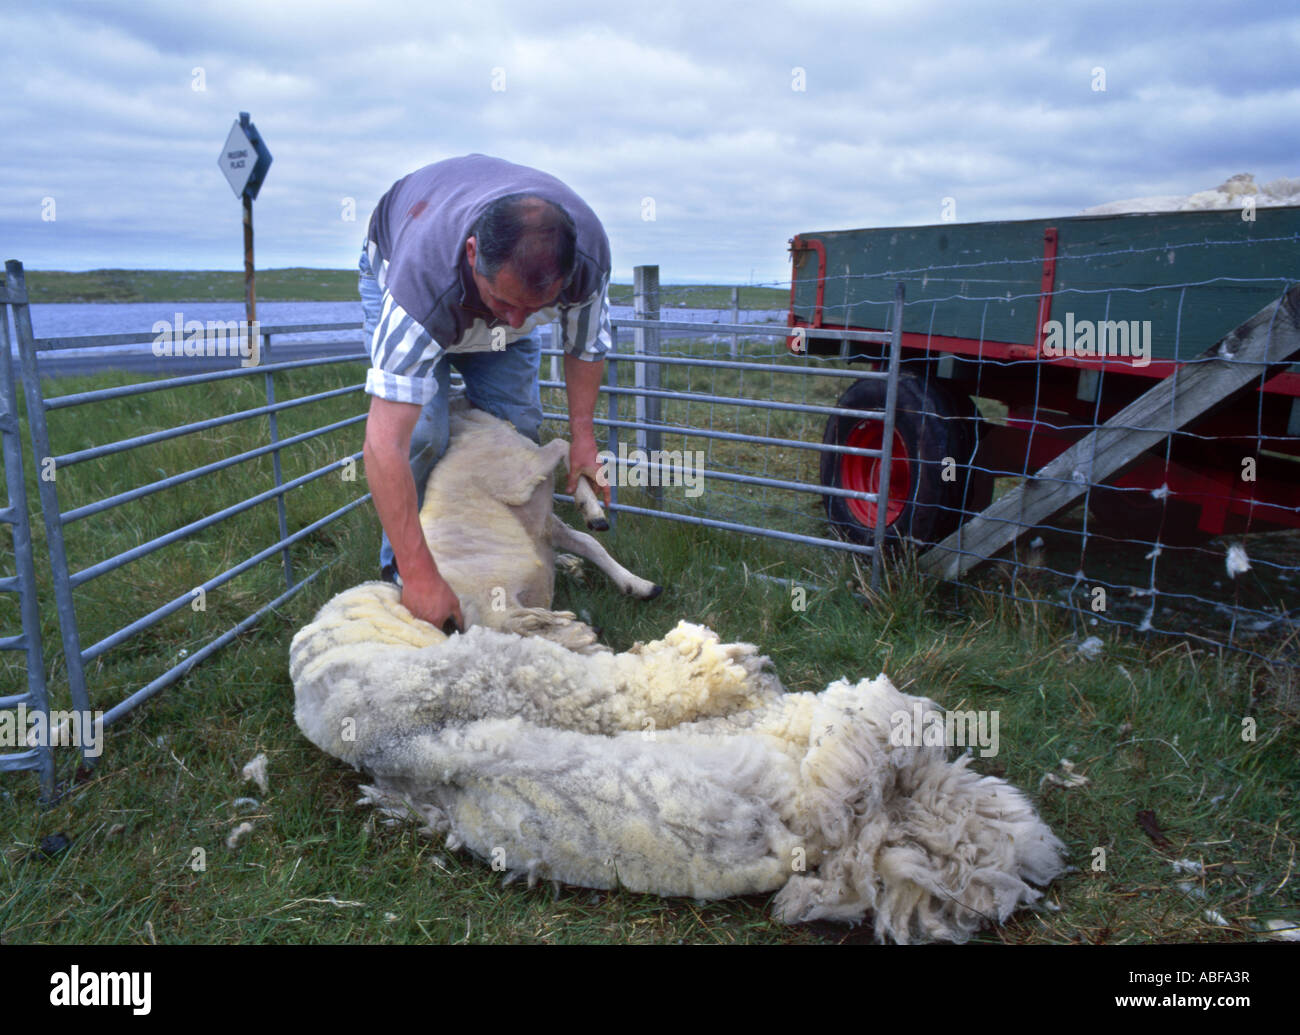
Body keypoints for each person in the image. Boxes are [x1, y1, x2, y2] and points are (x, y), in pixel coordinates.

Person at [359, 154, 612, 632]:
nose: (514, 322)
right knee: (423, 436)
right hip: (426, 283)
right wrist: (419, 576)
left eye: (536, 307)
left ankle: (507, 565)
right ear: (473, 252)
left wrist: (583, 438)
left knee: (517, 436)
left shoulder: (588, 258)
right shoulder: (419, 285)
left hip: (476, 293)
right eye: (504, 302)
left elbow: (586, 345)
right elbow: (384, 443)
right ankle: (405, 576)